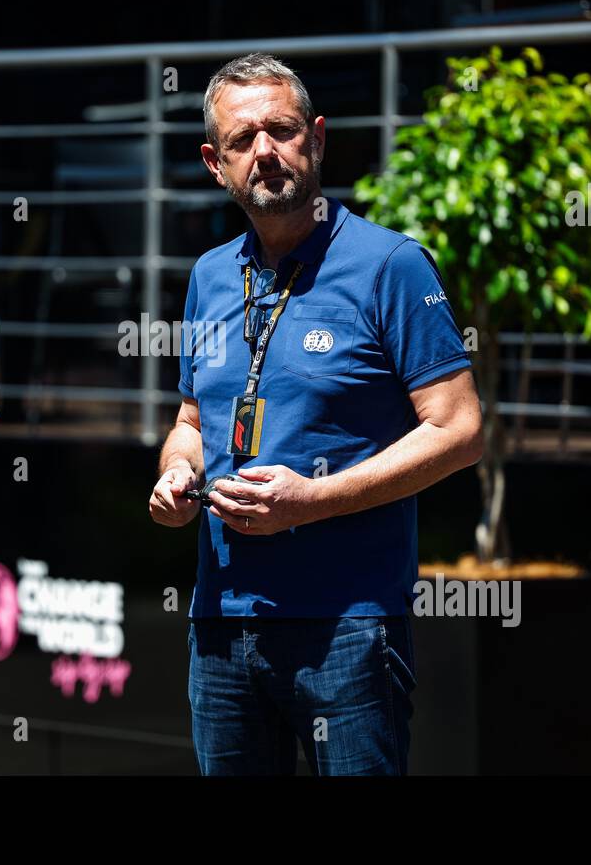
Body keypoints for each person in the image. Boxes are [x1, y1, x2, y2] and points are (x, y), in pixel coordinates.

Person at [149, 54, 483, 775]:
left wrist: (314, 499)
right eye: (243, 140)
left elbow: (459, 430)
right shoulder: (209, 275)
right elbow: (192, 422)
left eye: (283, 130)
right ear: (215, 163)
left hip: (348, 628)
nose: (265, 151)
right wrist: (176, 473)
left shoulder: (391, 265)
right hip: (221, 624)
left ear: (318, 139)